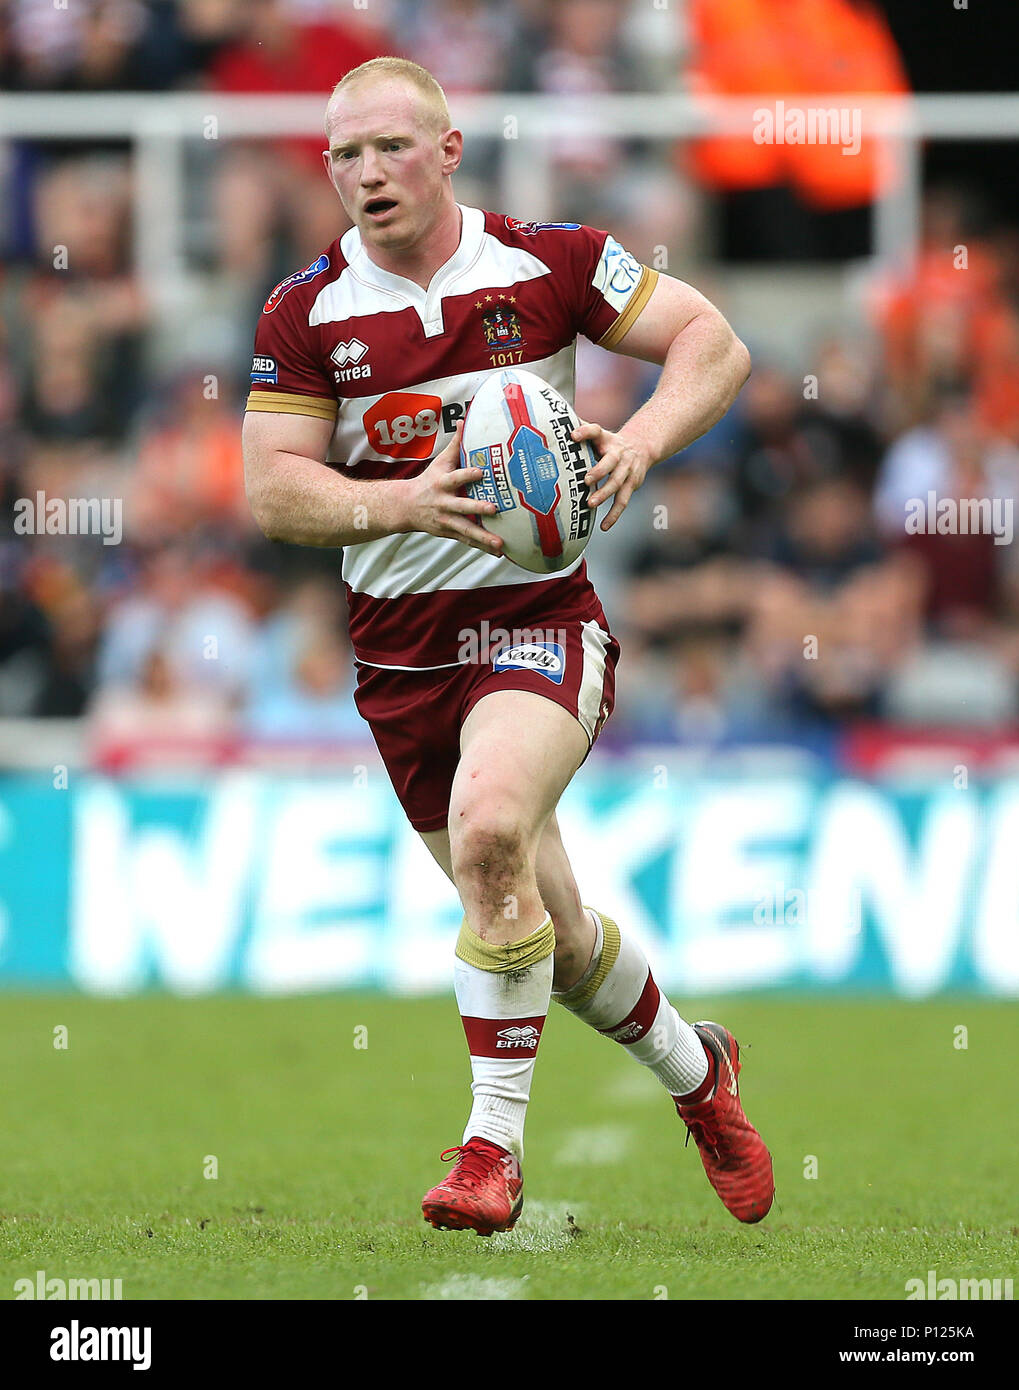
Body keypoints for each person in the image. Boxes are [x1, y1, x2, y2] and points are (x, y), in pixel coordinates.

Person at [242, 56, 773, 1235]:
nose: (365, 174)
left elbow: (714, 346)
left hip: (536, 624)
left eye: (389, 147)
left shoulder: (552, 260)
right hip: (399, 659)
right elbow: (271, 490)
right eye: (343, 155)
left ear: (448, 150)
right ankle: (702, 1075)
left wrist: (635, 444)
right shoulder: (304, 310)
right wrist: (395, 503)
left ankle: (489, 1152)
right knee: (551, 930)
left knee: (490, 831)